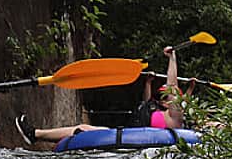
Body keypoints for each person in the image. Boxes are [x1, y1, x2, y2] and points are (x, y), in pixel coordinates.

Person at [15, 45, 193, 144]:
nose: (165, 98)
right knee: (82, 128)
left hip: (130, 144)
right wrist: (148, 83)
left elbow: (172, 84)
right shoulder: (157, 109)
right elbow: (145, 105)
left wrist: (172, 59)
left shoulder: (175, 118)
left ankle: (36, 134)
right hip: (126, 136)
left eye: (167, 97)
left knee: (82, 130)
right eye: (163, 96)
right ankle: (35, 134)